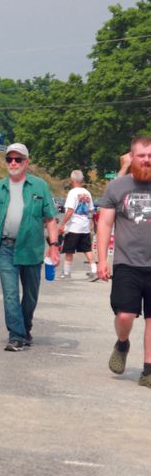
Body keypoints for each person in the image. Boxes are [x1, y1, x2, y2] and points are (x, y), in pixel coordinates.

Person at [0, 143, 60, 351]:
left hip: (31, 248)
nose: (13, 163)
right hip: (5, 248)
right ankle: (16, 335)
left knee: (31, 294)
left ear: (26, 162)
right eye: (9, 159)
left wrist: (53, 245)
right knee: (10, 293)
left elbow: (50, 219)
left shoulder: (39, 186)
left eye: (18, 159)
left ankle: (26, 328)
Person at [97, 134, 151, 388]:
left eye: (150, 156)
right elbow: (105, 223)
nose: (147, 160)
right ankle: (122, 343)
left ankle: (149, 369)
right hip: (126, 263)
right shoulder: (117, 188)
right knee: (126, 315)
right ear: (132, 158)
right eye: (142, 155)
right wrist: (102, 260)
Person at [58, 169, 97, 279]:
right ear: (82, 180)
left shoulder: (72, 193)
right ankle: (94, 270)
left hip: (74, 226)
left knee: (69, 250)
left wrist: (63, 224)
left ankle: (66, 273)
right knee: (87, 249)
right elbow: (91, 210)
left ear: (72, 180)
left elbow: (70, 210)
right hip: (84, 226)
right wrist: (91, 223)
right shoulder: (87, 193)